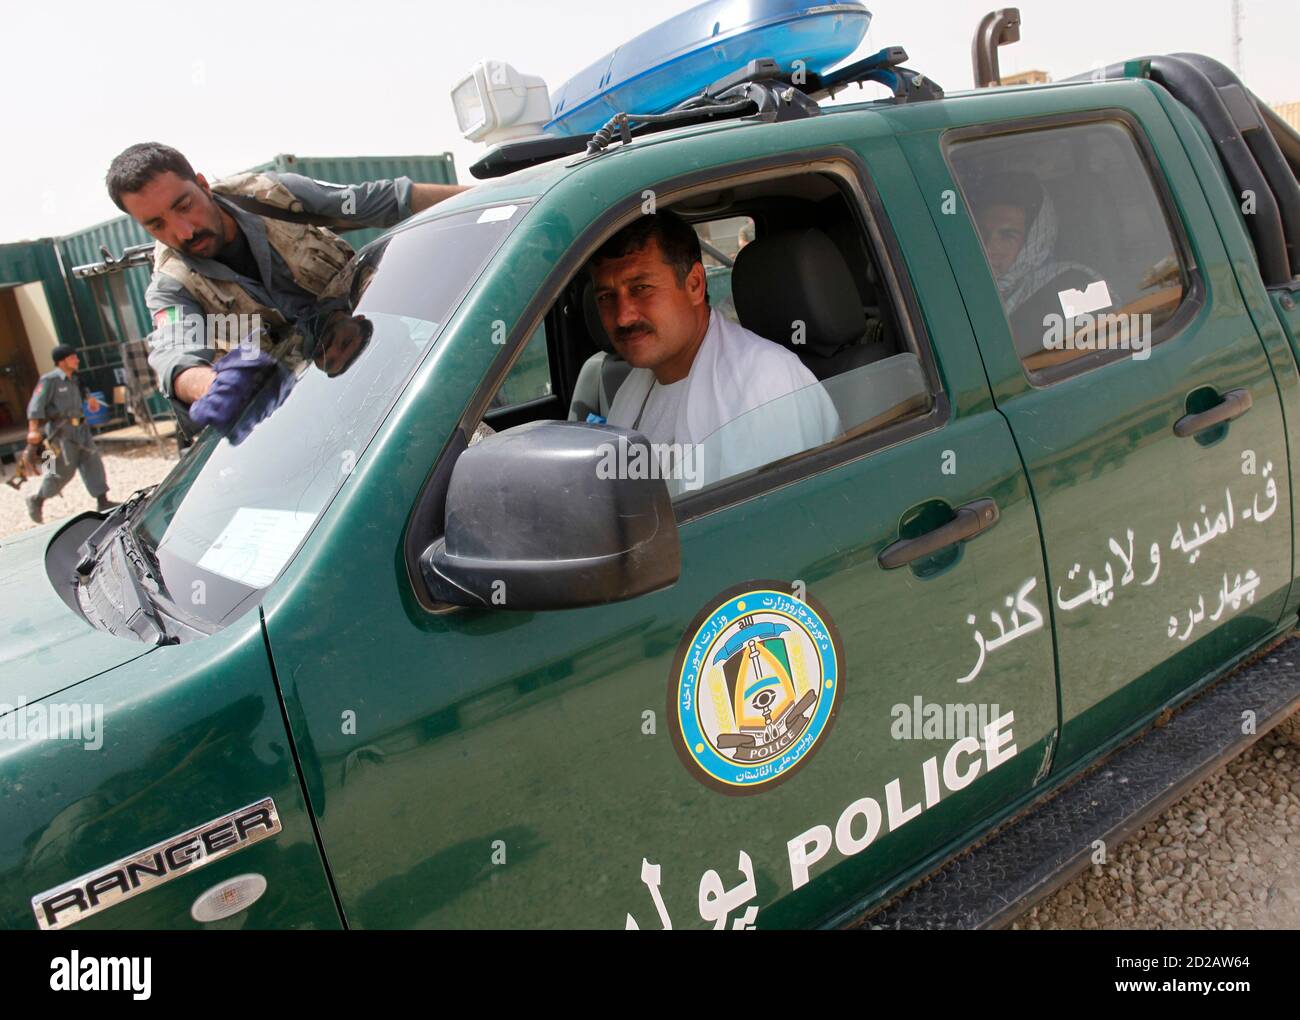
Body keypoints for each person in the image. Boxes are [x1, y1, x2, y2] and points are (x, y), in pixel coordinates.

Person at [105, 142, 467, 426]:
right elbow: (174, 356)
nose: (183, 231)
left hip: (393, 359)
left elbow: (384, 201)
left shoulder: (272, 197)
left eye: (184, 205)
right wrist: (211, 387)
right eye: (156, 225)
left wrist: (510, 189)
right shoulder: (171, 284)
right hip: (309, 418)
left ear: (203, 185)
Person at [588, 212, 840, 490]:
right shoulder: (635, 387)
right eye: (606, 297)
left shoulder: (764, 384)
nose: (623, 317)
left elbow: (772, 523)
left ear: (694, 284)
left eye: (641, 288)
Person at [970, 173, 1098, 358]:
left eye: (1007, 236)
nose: (988, 247)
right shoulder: (966, 285)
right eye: (981, 233)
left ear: (1034, 242)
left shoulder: (1078, 285)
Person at [24, 345, 118, 523]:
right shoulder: (49, 380)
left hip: (81, 429)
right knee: (61, 471)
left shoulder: (75, 378)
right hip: (60, 434)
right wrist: (33, 430)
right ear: (62, 361)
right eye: (73, 357)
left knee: (93, 462)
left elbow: (83, 394)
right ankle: (37, 499)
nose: (77, 360)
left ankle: (103, 501)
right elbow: (35, 405)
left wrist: (90, 400)